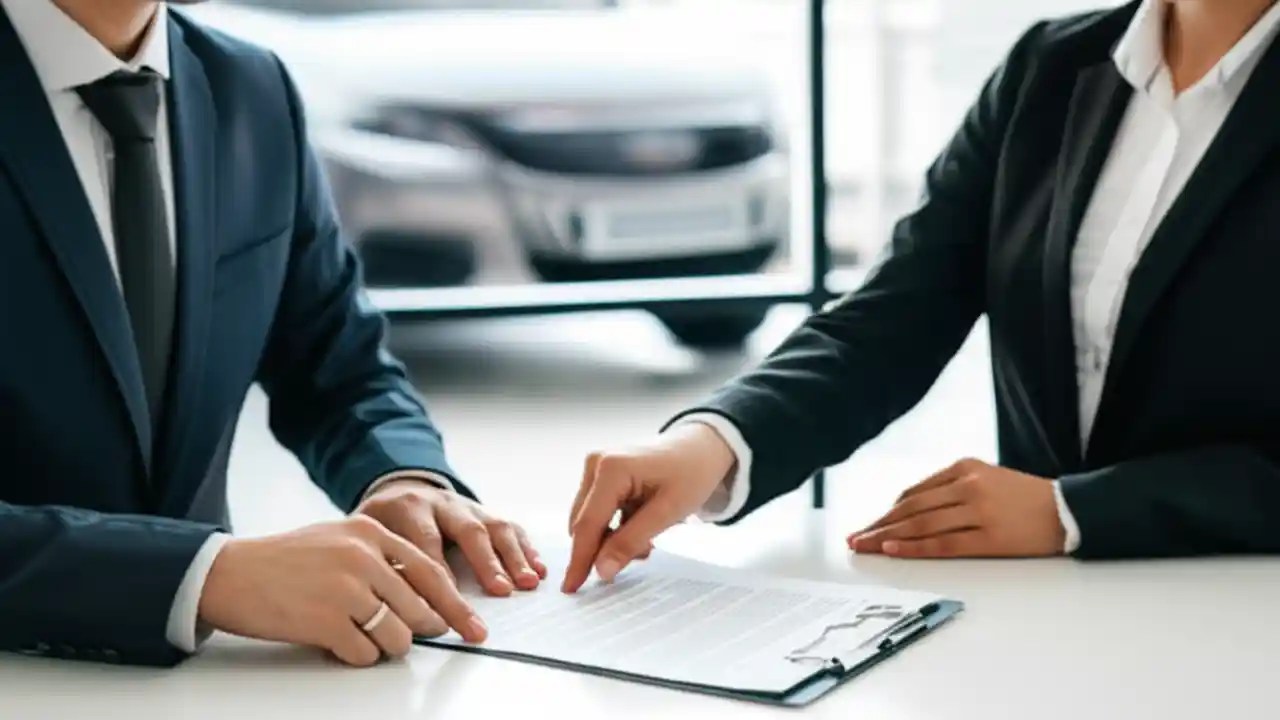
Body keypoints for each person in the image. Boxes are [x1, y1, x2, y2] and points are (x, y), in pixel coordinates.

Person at [563, 0, 1280, 593]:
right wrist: (712, 443)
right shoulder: (1052, 67)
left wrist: (1076, 510)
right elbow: (893, 316)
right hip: (1052, 615)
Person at [0, 0, 546, 668]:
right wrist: (203, 575)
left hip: (210, 688)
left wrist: (402, 477)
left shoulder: (249, 88)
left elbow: (335, 361)